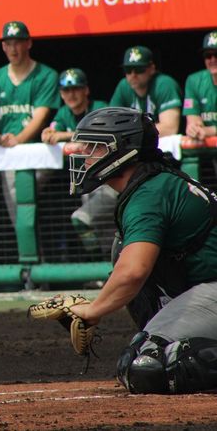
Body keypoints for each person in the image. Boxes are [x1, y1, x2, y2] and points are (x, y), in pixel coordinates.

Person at [66, 107, 217, 394]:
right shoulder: (152, 183)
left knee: (149, 365)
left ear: (121, 150)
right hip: (206, 288)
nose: (85, 155)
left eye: (94, 147)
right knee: (140, 355)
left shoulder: (148, 193)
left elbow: (133, 271)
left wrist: (92, 310)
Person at [0, 21, 59, 225]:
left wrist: (18, 139)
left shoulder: (46, 75)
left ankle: (38, 255)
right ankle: (29, 256)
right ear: (3, 46)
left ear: (28, 44)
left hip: (40, 151)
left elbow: (40, 117)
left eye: (18, 42)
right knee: (18, 213)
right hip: (8, 154)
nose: (13, 48)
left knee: (23, 201)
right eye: (8, 43)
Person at [41, 68, 114, 256]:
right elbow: (49, 133)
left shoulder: (100, 107)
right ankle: (98, 264)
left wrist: (63, 136)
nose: (71, 94)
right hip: (87, 182)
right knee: (98, 231)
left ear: (86, 90)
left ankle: (99, 262)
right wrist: (48, 133)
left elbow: (100, 135)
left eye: (75, 89)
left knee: (84, 220)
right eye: (66, 90)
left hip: (112, 182)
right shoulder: (63, 113)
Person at [109, 46, 182, 136]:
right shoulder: (123, 85)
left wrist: (131, 133)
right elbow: (112, 123)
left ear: (152, 68)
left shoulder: (164, 84)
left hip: (163, 141)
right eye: (128, 70)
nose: (133, 75)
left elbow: (169, 128)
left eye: (139, 69)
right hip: (136, 140)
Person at [183, 30, 217, 142]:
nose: (213, 60)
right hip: (205, 146)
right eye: (208, 56)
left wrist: (210, 131)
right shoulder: (194, 80)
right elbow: (192, 118)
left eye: (216, 54)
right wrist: (194, 128)